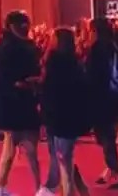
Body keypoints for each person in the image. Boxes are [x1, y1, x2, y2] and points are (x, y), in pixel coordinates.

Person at [0, 11, 43, 196]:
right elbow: (3, 77)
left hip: (14, 103)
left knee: (12, 147)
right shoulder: (13, 47)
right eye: (21, 24)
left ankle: (1, 187)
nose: (25, 28)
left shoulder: (6, 46)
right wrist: (24, 84)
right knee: (27, 147)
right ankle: (37, 188)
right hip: (19, 102)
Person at [38, 27, 90, 196]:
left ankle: (59, 189)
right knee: (63, 156)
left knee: (61, 157)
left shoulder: (53, 63)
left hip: (58, 116)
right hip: (69, 116)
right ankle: (78, 189)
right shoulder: (76, 64)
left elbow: (49, 92)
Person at [84, 17, 118, 189]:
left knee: (105, 136)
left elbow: (93, 76)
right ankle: (111, 169)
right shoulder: (114, 46)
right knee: (107, 134)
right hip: (114, 95)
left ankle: (116, 171)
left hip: (101, 98)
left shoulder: (97, 49)